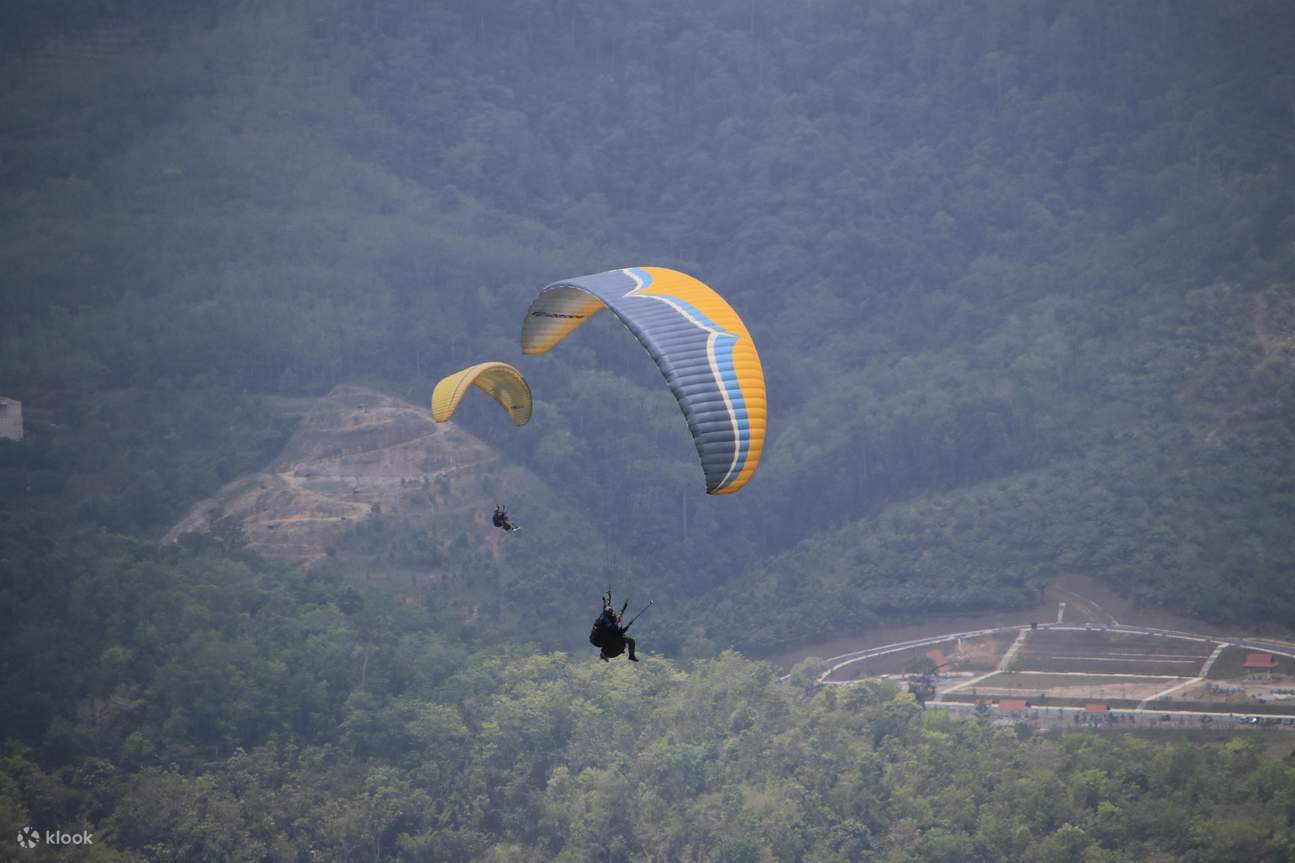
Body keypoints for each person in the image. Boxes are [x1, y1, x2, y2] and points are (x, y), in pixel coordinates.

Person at [590, 592, 637, 662]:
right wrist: (625, 624)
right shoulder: (605, 619)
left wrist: (608, 598)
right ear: (609, 613)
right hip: (607, 638)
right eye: (612, 612)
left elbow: (606, 605)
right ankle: (631, 655)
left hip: (600, 639)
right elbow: (613, 629)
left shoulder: (604, 615)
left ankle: (607, 652)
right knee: (630, 641)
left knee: (626, 639)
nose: (614, 613)